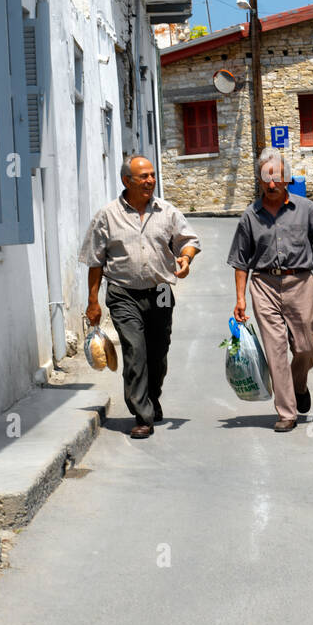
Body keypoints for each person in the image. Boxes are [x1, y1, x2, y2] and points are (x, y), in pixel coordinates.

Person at [79, 155, 200, 438]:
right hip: (123, 293)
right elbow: (95, 261)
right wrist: (93, 301)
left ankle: (151, 397)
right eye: (143, 176)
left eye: (152, 175)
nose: (150, 181)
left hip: (160, 291)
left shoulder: (167, 211)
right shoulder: (107, 216)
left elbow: (188, 241)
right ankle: (142, 415)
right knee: (135, 351)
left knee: (158, 353)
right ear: (127, 181)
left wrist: (185, 260)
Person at [227, 148, 313, 432]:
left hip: (300, 283)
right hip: (264, 284)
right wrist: (240, 298)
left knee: (306, 348)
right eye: (265, 178)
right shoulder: (250, 216)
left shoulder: (305, 208)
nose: (271, 184)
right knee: (275, 349)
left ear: (286, 179)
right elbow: (240, 262)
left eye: (276, 178)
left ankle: (298, 385)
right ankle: (286, 412)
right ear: (259, 179)